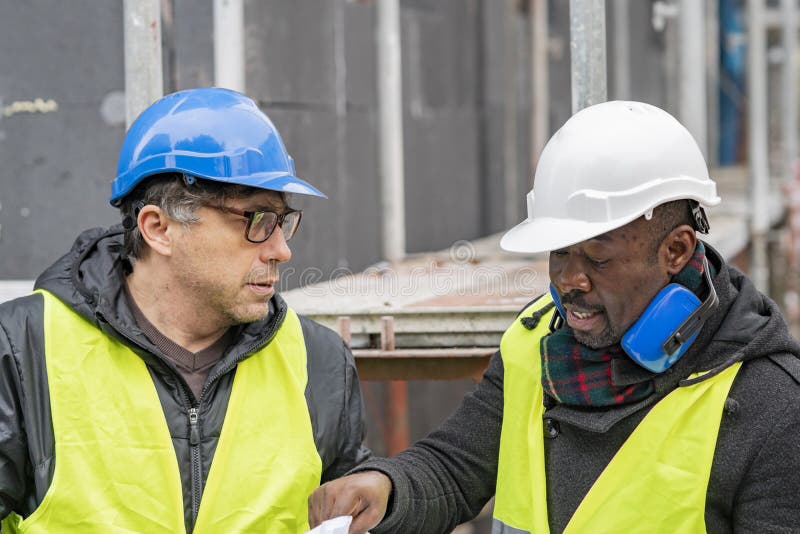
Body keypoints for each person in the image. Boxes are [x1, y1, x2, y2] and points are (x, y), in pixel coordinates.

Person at [309, 101, 800, 533]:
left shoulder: (768, 404)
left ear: (675, 250)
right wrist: (386, 489)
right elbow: (457, 466)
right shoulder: (535, 344)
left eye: (598, 259)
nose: (570, 281)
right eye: (559, 253)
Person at [0, 87, 369, 533]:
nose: (281, 249)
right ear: (159, 228)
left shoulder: (319, 361)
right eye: (256, 220)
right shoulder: (23, 351)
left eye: (283, 220)